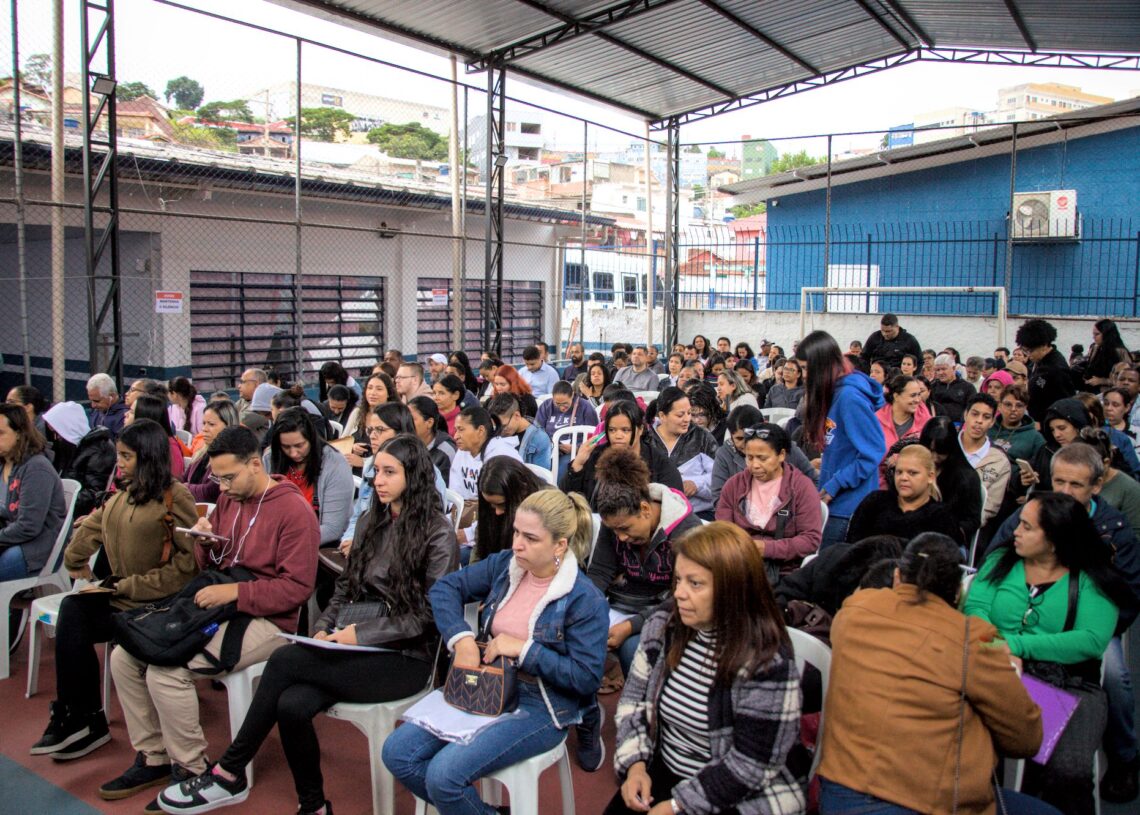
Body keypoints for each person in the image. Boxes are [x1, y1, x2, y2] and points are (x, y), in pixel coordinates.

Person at [157, 435, 458, 815]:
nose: (378, 480)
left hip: (407, 657)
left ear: (413, 476)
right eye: (376, 472)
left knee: (284, 660)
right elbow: (344, 587)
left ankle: (230, 770)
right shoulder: (370, 521)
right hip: (355, 642)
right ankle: (313, 806)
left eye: (389, 472)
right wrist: (325, 627)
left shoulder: (438, 532)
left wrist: (358, 634)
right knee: (292, 704)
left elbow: (430, 615)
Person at [106, 426, 319, 806]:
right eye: (217, 478)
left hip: (271, 621)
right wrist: (205, 545)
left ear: (256, 464)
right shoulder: (230, 501)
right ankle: (154, 754)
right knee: (125, 657)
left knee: (167, 671)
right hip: (221, 603)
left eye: (229, 477)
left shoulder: (294, 510)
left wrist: (236, 591)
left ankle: (191, 767)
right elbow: (218, 562)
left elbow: (297, 589)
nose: (221, 487)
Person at [382, 489, 609, 812]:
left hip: (541, 704)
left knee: (443, 777)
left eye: (530, 538)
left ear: (560, 545)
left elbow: (586, 679)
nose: (517, 544)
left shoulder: (585, 599)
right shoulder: (507, 565)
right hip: (487, 682)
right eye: (517, 532)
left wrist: (525, 650)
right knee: (396, 753)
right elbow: (446, 587)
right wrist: (460, 637)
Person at [818, 533, 1053, 815]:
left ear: (896, 577)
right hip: (926, 803)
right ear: (958, 592)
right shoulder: (972, 643)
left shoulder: (853, 613)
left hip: (838, 792)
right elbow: (1026, 739)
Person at [607, 521, 807, 815]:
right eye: (678, 580)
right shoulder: (664, 626)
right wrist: (635, 765)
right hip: (665, 770)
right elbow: (633, 702)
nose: (678, 593)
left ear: (732, 589)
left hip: (740, 791)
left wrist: (678, 806)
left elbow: (752, 764)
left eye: (695, 583)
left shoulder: (767, 659)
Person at [31, 419, 197, 760]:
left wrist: (131, 586)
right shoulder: (122, 496)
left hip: (157, 604)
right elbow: (86, 534)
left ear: (147, 457)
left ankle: (86, 719)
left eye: (126, 456)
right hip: (123, 599)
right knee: (74, 611)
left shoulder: (174, 497)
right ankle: (83, 716)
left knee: (80, 613)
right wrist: (79, 565)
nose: (118, 463)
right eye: (118, 455)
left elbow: (186, 566)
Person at [964, 492, 1134, 815]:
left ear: (1054, 540)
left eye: (1027, 527)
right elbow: (976, 610)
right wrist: (996, 649)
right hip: (996, 672)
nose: (1015, 531)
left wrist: (1014, 646)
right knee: (967, 752)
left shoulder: (1091, 578)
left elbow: (1090, 641)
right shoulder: (1002, 562)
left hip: (1066, 683)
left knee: (1063, 772)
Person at [588, 445, 701, 682]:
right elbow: (600, 571)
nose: (620, 538)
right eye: (614, 530)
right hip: (620, 603)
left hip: (665, 609)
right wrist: (587, 607)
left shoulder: (687, 532)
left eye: (625, 529)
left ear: (645, 509)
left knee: (633, 649)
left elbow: (683, 598)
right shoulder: (616, 522)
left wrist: (633, 626)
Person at [798, 330, 885, 549]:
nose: (804, 375)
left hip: (849, 507)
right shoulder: (834, 393)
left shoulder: (850, 398)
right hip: (834, 499)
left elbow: (873, 453)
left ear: (823, 365)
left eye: (807, 368)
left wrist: (837, 482)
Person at [715, 422, 821, 577]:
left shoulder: (801, 487)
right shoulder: (734, 486)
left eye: (762, 458)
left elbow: (810, 540)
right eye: (749, 458)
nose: (754, 465)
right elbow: (722, 530)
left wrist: (765, 548)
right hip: (738, 567)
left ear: (781, 455)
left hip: (785, 572)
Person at [1, 403, 65, 651]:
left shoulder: (36, 467)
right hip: (14, 539)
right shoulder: (5, 463)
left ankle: (10, 623)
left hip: (37, 548)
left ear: (19, 433)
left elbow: (29, 526)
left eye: (0, 433)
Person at [263, 408, 354, 548]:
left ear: (311, 439)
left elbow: (333, 528)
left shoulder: (335, 465)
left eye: (299, 446)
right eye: (285, 447)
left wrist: (286, 543)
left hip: (315, 544)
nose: (293, 453)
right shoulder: (270, 459)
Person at [563, 399, 683, 503]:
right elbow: (567, 497)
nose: (618, 436)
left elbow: (674, 505)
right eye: (612, 430)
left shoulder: (659, 464)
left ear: (640, 430)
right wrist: (578, 464)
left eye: (625, 430)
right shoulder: (595, 456)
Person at [847, 444, 964, 545]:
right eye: (899, 472)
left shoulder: (941, 517)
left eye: (912, 473)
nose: (903, 478)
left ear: (930, 476)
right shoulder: (875, 502)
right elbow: (852, 544)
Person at [711, 405, 817, 505]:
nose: (747, 444)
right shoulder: (724, 455)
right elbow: (719, 500)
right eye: (739, 439)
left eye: (751, 436)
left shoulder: (786, 448)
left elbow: (814, 481)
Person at [650, 387, 719, 519]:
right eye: (680, 415)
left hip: (697, 513)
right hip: (655, 513)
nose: (687, 419)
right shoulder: (647, 439)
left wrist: (696, 484)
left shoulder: (702, 437)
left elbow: (719, 476)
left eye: (689, 413)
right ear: (662, 416)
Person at [41, 401, 116, 519]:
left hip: (78, 514)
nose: (56, 438)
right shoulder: (69, 447)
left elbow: (93, 493)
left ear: (68, 427)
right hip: (63, 508)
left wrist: (55, 502)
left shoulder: (99, 449)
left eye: (58, 433)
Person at [469, 456, 547, 565]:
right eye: (491, 505)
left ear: (521, 491)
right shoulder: (491, 506)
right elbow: (480, 547)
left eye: (502, 505)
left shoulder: (546, 508)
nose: (497, 512)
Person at [919, 416, 984, 546]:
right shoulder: (914, 467)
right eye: (930, 451)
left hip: (946, 540)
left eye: (940, 452)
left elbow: (972, 520)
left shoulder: (966, 478)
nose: (934, 457)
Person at [448, 405, 522, 514]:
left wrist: (469, 531)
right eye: (456, 430)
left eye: (461, 430)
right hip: (467, 515)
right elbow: (454, 494)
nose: (456, 436)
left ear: (480, 430)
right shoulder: (462, 452)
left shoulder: (502, 454)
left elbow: (508, 502)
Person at [959, 393, 1011, 526]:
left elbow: (989, 508)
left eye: (986, 417)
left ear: (992, 421)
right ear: (966, 415)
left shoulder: (999, 461)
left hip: (967, 527)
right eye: (975, 414)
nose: (979, 421)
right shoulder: (946, 446)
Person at [1016, 319, 1075, 426]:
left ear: (1044, 346)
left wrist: (1044, 424)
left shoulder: (1056, 369)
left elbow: (1065, 403)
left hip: (1048, 426)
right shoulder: (1038, 362)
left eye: (1030, 351)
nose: (1028, 355)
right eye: (1025, 351)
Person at [182, 400, 239, 503]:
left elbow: (211, 492)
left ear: (228, 426)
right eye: (204, 423)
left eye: (211, 424)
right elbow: (184, 478)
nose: (204, 429)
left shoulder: (231, 457)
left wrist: (183, 488)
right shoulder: (201, 452)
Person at [875, 374, 931, 465]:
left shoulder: (926, 421)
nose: (917, 400)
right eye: (913, 395)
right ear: (896, 396)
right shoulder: (876, 422)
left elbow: (931, 455)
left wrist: (902, 458)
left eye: (919, 395)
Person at [488, 393, 552, 471]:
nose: (499, 431)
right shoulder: (497, 431)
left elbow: (541, 477)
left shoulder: (539, 439)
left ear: (517, 416)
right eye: (496, 426)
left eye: (503, 426)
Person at [131, 395, 187, 480]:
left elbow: (171, 484)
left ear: (143, 417)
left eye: (131, 412)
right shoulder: (132, 441)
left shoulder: (170, 449)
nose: (125, 414)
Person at [990, 383, 1047, 463]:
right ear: (999, 406)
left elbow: (1041, 468)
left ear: (1025, 408)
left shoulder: (1035, 438)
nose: (1013, 409)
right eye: (1008, 404)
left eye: (1019, 406)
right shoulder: (988, 428)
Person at [408, 395, 457, 480]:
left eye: (411, 419)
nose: (406, 423)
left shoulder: (446, 451)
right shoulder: (405, 444)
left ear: (429, 422)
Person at [1084, 318, 1132, 391]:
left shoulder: (1119, 352)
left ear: (1107, 335)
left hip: (1110, 392)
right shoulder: (1096, 348)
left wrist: (1101, 381)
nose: (1093, 337)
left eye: (1097, 334)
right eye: (1093, 334)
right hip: (1091, 390)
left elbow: (1126, 379)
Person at [928, 353, 975, 422]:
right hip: (938, 424)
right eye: (938, 370)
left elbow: (971, 409)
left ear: (953, 368)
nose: (940, 373)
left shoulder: (967, 387)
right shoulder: (932, 387)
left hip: (959, 425)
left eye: (944, 369)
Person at [86, 373, 129, 439]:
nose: (93, 405)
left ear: (111, 396)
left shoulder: (125, 416)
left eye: (97, 401)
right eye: (91, 401)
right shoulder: (99, 410)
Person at [1102, 387, 1140, 456]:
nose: (1109, 408)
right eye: (1106, 403)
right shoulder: (1095, 431)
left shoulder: (1137, 433)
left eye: (1115, 405)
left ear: (1127, 407)